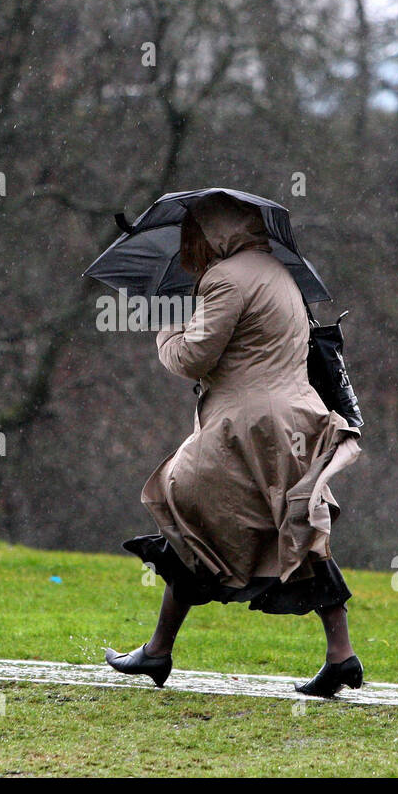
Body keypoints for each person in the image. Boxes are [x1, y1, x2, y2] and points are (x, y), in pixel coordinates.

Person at [105, 192, 364, 696]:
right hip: (292, 420)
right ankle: (341, 656)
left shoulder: (225, 278)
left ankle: (159, 651)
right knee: (295, 527)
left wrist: (168, 329)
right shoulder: (273, 272)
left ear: (213, 233)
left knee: (188, 511)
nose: (188, 246)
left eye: (193, 236)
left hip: (248, 428)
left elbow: (195, 358)